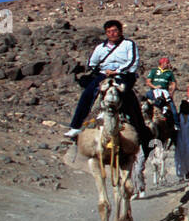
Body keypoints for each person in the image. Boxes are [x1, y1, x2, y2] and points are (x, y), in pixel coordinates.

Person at [65, 19, 153, 150]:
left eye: (114, 31)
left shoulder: (129, 44)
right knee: (88, 94)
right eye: (109, 32)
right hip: (104, 74)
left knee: (127, 95)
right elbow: (91, 62)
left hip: (123, 73)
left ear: (120, 31)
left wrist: (117, 71)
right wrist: (103, 71)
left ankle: (141, 132)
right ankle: (76, 126)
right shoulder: (100, 47)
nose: (112, 34)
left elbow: (133, 61)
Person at [145, 56, 176, 122]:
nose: (168, 64)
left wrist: (171, 93)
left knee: (173, 108)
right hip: (154, 90)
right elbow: (148, 81)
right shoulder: (154, 71)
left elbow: (173, 83)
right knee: (147, 95)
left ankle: (176, 124)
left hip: (164, 91)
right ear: (163, 63)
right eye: (167, 63)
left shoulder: (169, 73)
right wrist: (154, 87)